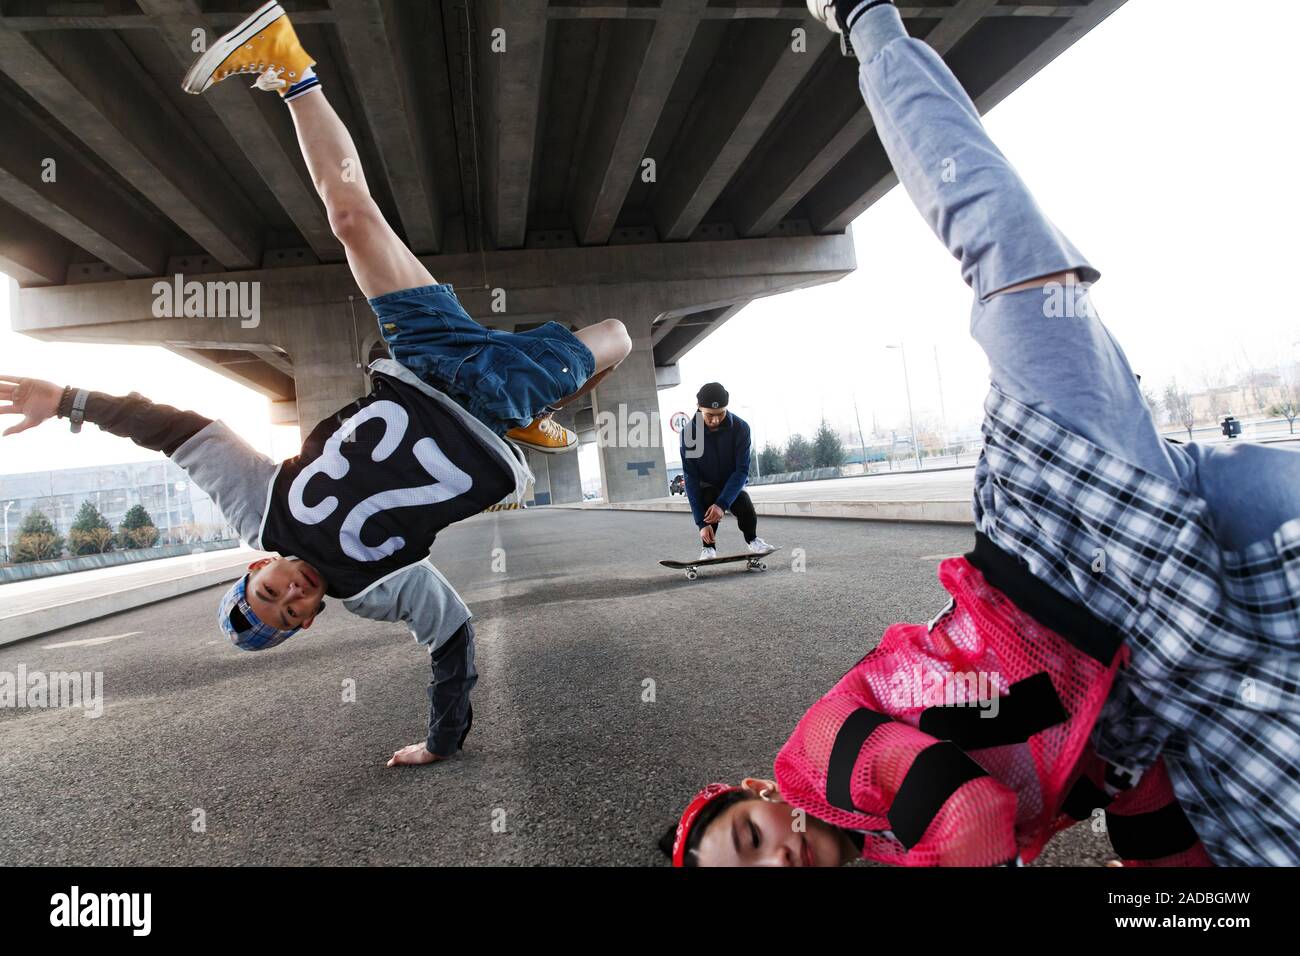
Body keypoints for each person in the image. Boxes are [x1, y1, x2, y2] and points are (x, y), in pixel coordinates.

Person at [666, 0, 1300, 866]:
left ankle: (867, 24)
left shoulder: (821, 752)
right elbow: (1134, 802)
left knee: (1012, 251)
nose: (775, 862)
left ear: (761, 795)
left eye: (749, 840)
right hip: (1170, 690)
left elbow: (969, 812)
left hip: (1060, 544)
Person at [0, 0, 635, 770]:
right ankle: (534, 408)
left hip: (418, 362)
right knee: (620, 337)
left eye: (268, 591)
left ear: (252, 569)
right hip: (490, 398)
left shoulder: (256, 510)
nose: (290, 593)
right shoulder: (374, 589)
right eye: (292, 611)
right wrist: (441, 742)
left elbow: (175, 428)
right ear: (307, 625)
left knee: (349, 216)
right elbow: (452, 637)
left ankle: (288, 64)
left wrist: (66, 399)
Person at [680, 383, 772, 560]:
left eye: (720, 414)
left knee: (744, 503)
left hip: (731, 481)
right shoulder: (691, 434)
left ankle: (753, 541)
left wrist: (722, 504)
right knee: (707, 500)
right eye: (709, 415)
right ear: (699, 408)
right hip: (706, 484)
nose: (715, 420)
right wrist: (701, 523)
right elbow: (691, 478)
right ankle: (708, 549)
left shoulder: (740, 428)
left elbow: (742, 470)